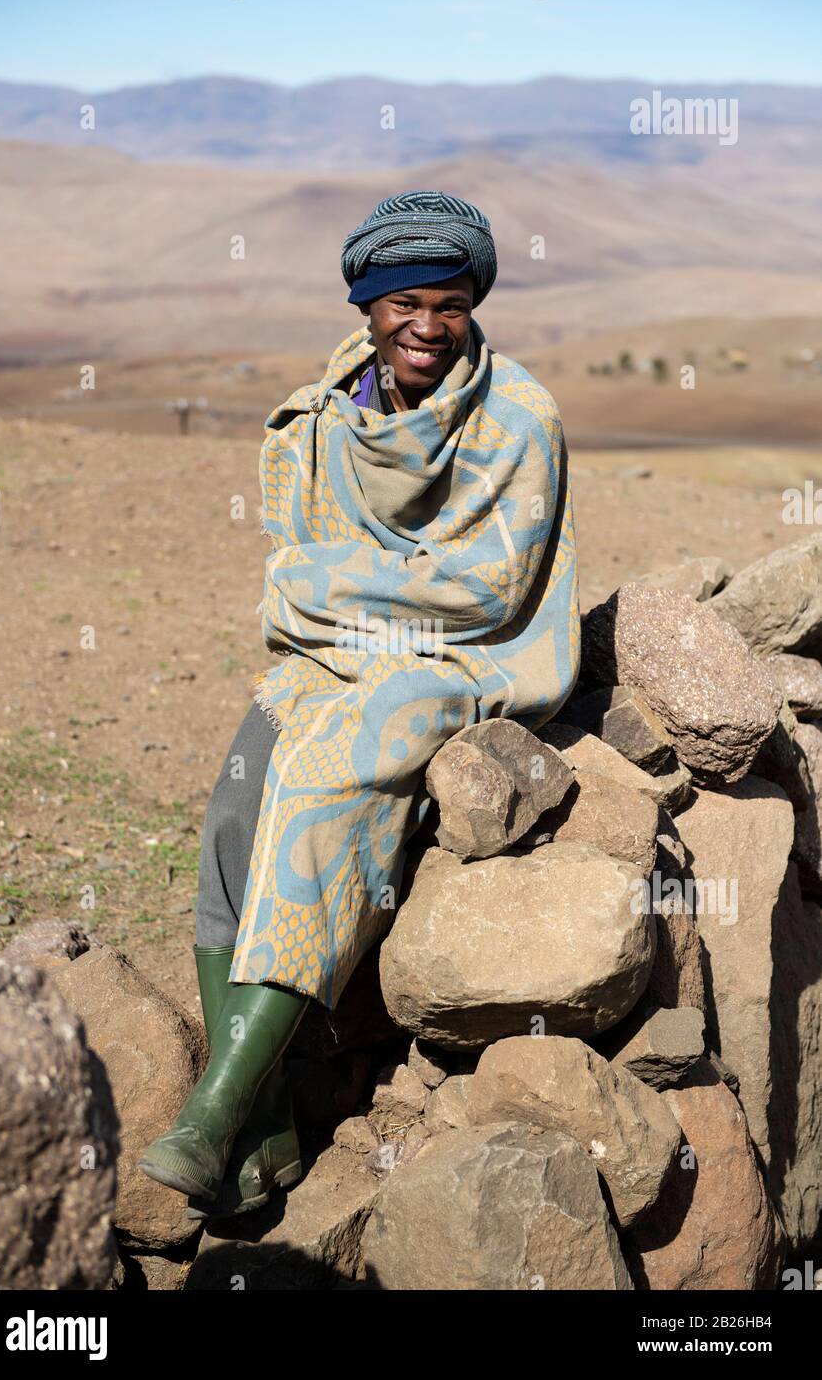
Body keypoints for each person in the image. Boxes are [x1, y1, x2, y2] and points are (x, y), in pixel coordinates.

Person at [138, 189, 581, 1219]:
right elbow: (303, 549)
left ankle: (213, 1117)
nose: (428, 326)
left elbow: (485, 588)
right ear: (368, 309)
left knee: (332, 779)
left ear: (475, 307)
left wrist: (320, 589)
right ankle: (273, 1120)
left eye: (451, 304)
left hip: (467, 658)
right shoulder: (327, 409)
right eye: (406, 304)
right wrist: (336, 595)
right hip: (333, 652)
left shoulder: (519, 420)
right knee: (236, 815)